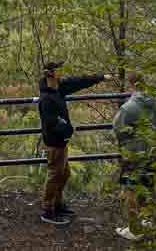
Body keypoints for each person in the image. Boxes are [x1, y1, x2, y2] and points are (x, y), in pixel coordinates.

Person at [37, 60, 105, 226]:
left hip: (62, 142)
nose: (62, 72)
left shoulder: (58, 88)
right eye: (59, 70)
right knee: (55, 174)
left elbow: (78, 82)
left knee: (64, 174)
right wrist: (68, 129)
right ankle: (48, 210)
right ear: (51, 73)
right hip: (55, 143)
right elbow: (51, 123)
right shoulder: (46, 98)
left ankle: (57, 204)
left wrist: (99, 77)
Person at [112, 71, 156, 241]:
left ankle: (134, 230)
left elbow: (117, 128)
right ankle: (155, 221)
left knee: (131, 189)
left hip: (134, 153)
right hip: (154, 150)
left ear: (132, 85)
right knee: (152, 184)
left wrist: (127, 144)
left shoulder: (129, 107)